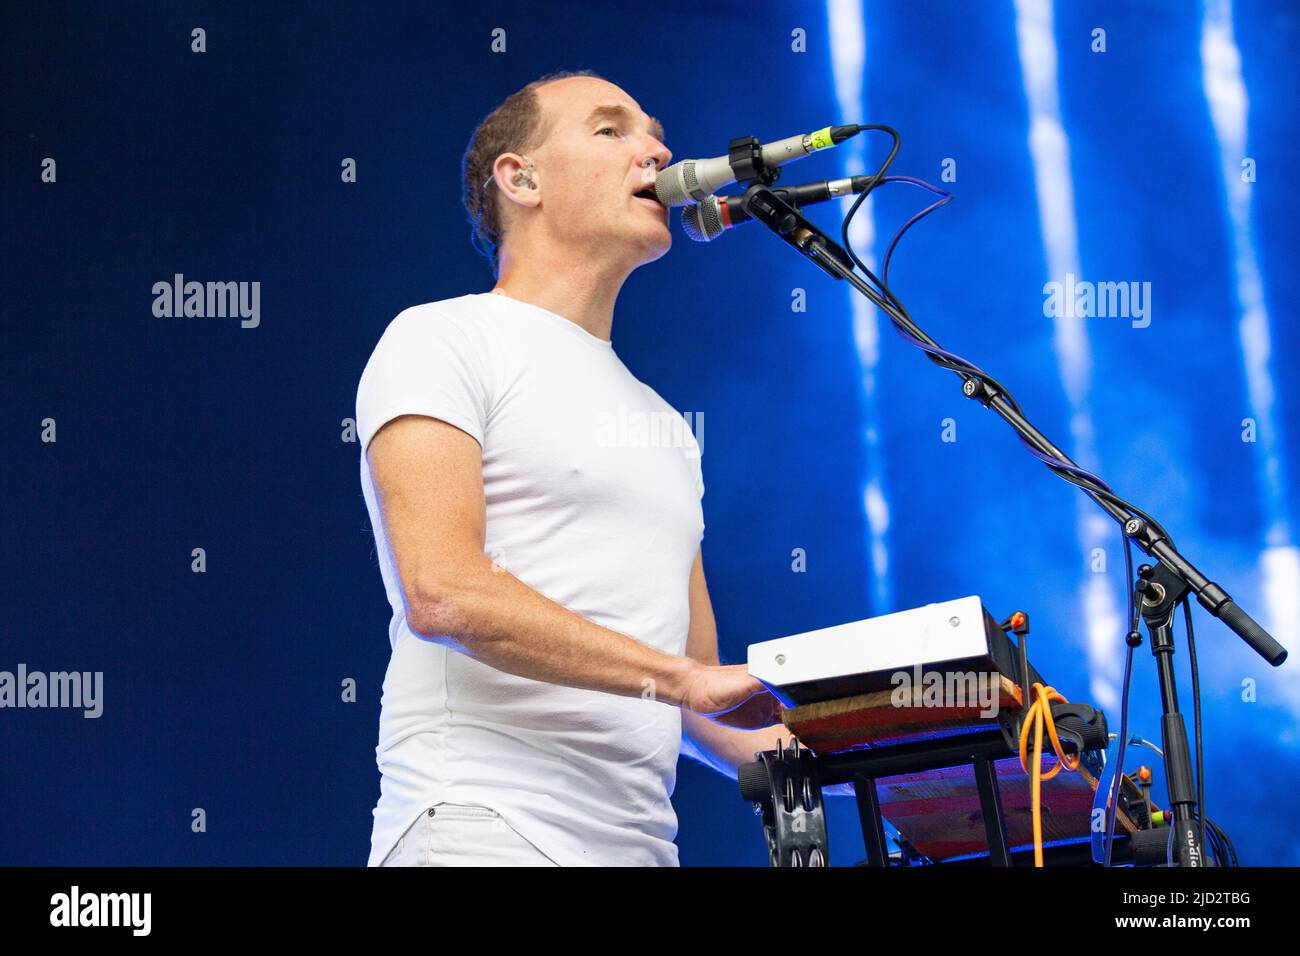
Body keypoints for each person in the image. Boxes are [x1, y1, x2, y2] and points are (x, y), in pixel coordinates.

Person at [356, 70, 793, 867]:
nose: (655, 149)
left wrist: (873, 740)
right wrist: (680, 681)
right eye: (610, 129)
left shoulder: (665, 425)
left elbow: (696, 693)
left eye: (653, 131)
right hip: (481, 831)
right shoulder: (441, 339)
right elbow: (443, 592)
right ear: (520, 180)